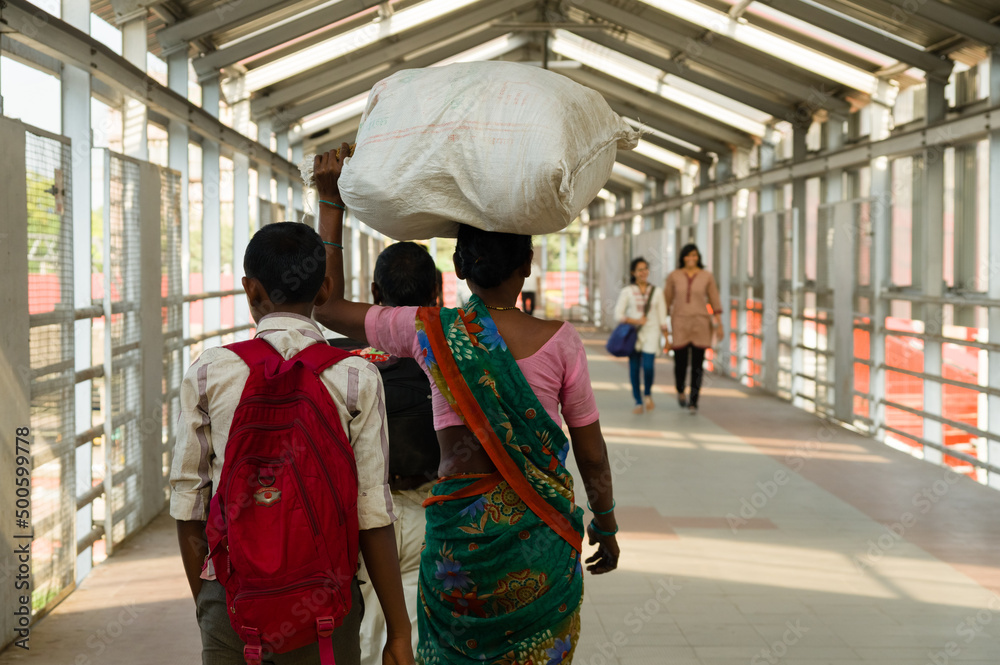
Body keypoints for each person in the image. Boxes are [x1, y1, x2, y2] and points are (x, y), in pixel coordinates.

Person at [311, 145, 620, 665]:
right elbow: (591, 455)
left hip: (460, 553)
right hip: (540, 544)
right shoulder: (563, 342)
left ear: (456, 266)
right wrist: (605, 524)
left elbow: (327, 306)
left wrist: (331, 203)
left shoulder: (432, 332)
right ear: (528, 262)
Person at [170, 222, 415, 665]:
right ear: (324, 289)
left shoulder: (209, 373)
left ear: (251, 289)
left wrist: (210, 604)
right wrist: (398, 630)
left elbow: (189, 505)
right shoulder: (356, 377)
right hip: (326, 610)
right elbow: (373, 513)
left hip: (232, 605)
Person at [328, 241, 440, 665]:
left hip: (363, 516)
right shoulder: (452, 355)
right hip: (434, 508)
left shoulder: (338, 357)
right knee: (422, 625)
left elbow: (329, 302)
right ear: (438, 291)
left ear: (375, 292)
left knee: (371, 624)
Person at [664, 243, 722, 415]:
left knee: (698, 364)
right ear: (683, 257)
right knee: (680, 362)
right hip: (680, 322)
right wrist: (663, 326)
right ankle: (680, 390)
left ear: (699, 257)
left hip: (701, 323)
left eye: (695, 255)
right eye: (688, 255)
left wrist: (719, 324)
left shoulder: (706, 276)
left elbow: (714, 299)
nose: (691, 258)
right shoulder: (674, 276)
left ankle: (693, 401)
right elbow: (666, 300)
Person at [614, 257, 669, 415]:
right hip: (633, 334)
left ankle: (648, 394)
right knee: (634, 368)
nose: (643, 272)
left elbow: (662, 315)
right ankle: (638, 400)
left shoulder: (657, 292)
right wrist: (636, 320)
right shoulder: (627, 291)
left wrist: (667, 338)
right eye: (639, 269)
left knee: (649, 366)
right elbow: (618, 315)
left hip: (652, 332)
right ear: (633, 272)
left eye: (645, 269)